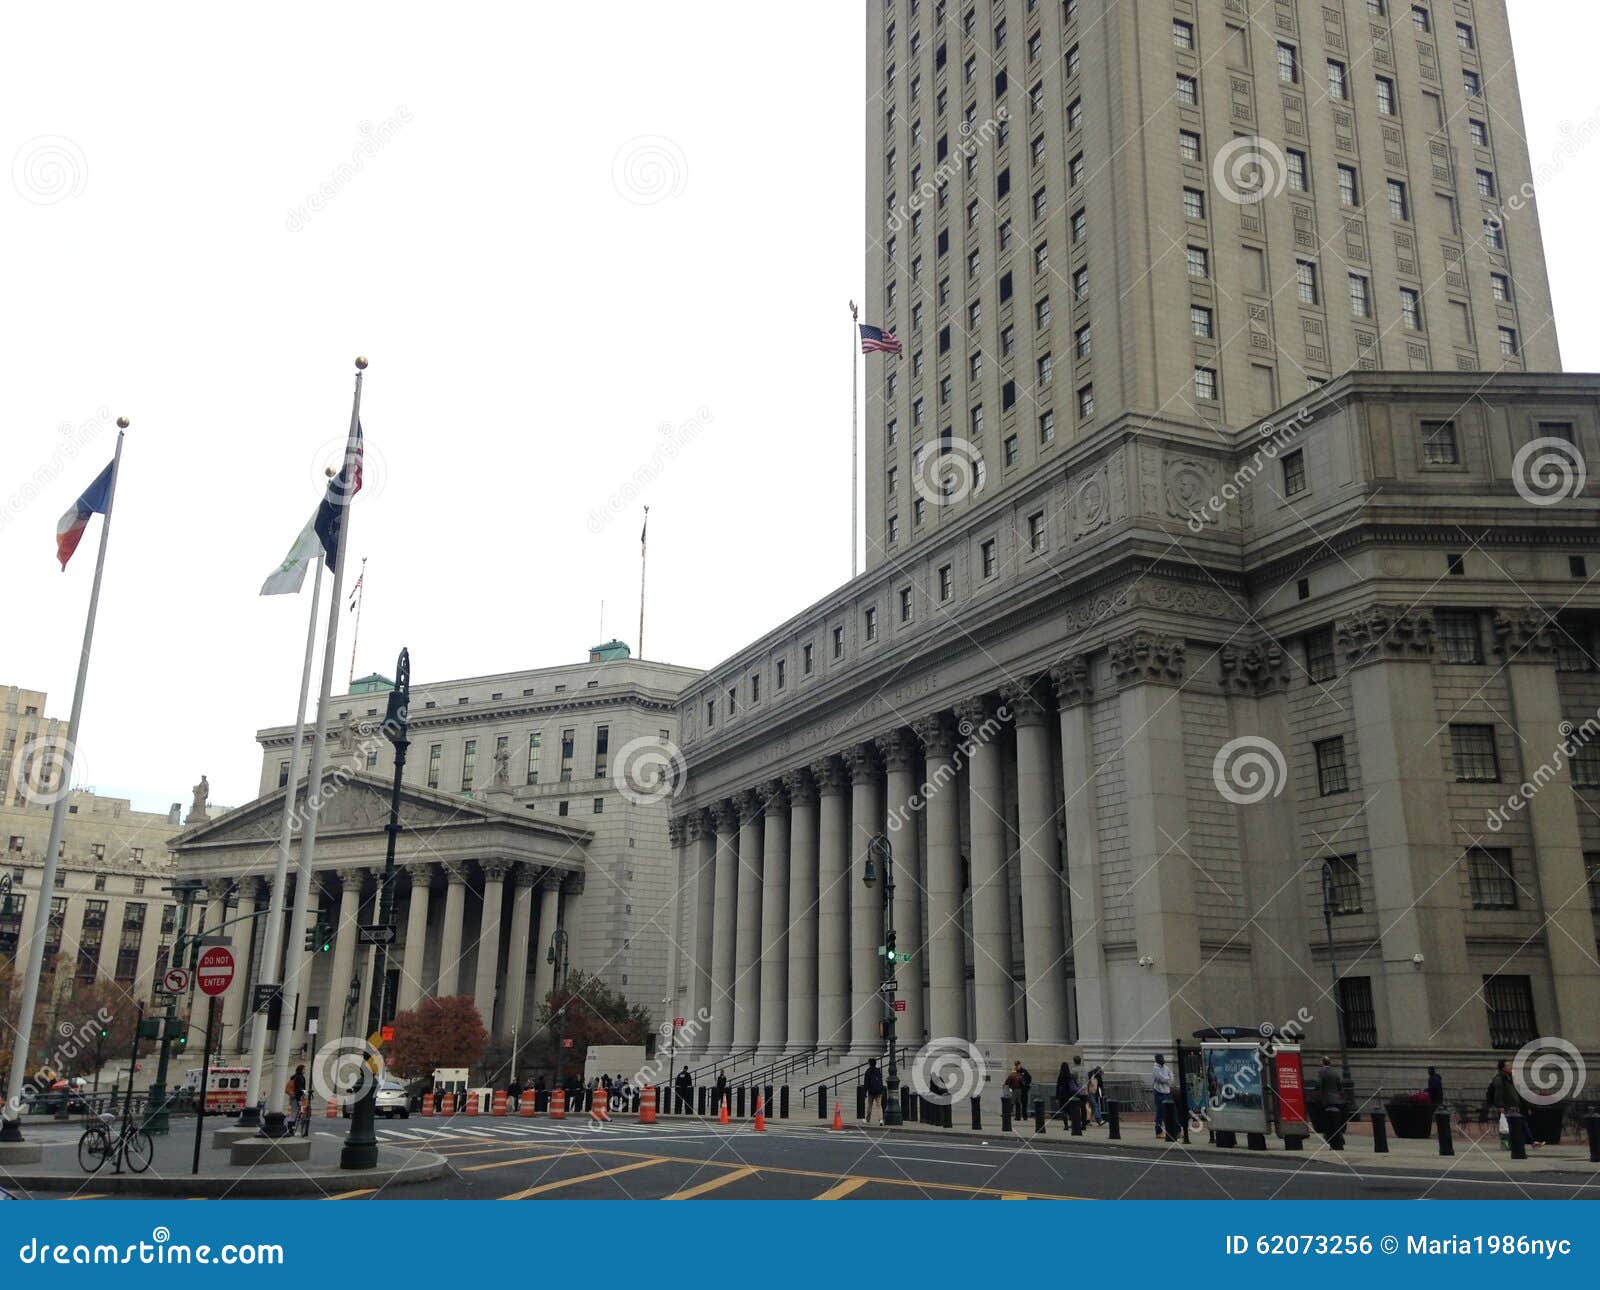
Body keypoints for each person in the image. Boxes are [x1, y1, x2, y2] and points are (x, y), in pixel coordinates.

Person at [1487, 1058, 1519, 1148]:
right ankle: (1505, 1143)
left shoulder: (1509, 1077)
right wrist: (1500, 1106)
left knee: (1511, 1125)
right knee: (1505, 1125)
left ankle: (1511, 1143)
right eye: (1508, 1065)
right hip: (1505, 1105)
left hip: (1512, 1104)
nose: (1511, 1067)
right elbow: (1498, 1093)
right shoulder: (1500, 1078)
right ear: (1503, 1068)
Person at [1317, 1056, 1344, 1143]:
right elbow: (1339, 1085)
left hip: (1327, 1099)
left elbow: (1320, 1085)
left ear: (1322, 1062)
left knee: (1327, 1120)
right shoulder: (1335, 1072)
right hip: (1336, 1099)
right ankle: (1339, 1137)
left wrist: (1318, 1095)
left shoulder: (1322, 1072)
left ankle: (1329, 1136)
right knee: (1336, 1121)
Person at [1151, 1054, 1175, 1141]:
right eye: (1160, 1059)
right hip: (1159, 1092)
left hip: (1167, 1091)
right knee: (1160, 1113)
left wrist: (1168, 1079)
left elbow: (1171, 1075)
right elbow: (1161, 1079)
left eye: (1162, 1058)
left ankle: (1174, 1130)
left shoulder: (1166, 1067)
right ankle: (1159, 1132)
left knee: (1171, 1112)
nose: (1162, 1060)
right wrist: (1168, 1079)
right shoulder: (1155, 1068)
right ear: (1157, 1060)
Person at [864, 1057, 886, 1125]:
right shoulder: (878, 1070)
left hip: (871, 1091)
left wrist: (865, 1092)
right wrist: (882, 1090)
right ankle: (881, 1119)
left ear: (869, 1063)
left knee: (869, 1105)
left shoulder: (868, 1071)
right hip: (878, 1091)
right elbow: (881, 1081)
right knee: (879, 1106)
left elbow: (866, 1083)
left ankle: (867, 1119)